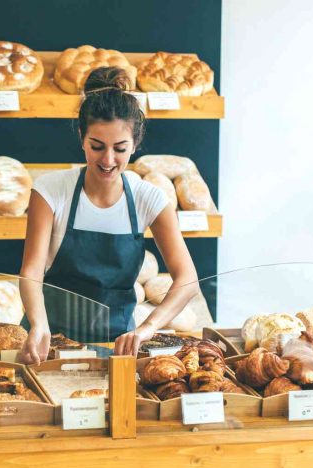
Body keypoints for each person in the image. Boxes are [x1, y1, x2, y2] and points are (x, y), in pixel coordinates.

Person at [18, 66, 199, 362]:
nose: (108, 160)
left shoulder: (148, 198)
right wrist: (38, 324)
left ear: (135, 144)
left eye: (120, 148)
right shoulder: (50, 191)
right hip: (48, 343)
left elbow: (188, 280)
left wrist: (148, 328)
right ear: (81, 136)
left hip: (117, 346)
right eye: (97, 146)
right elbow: (31, 271)